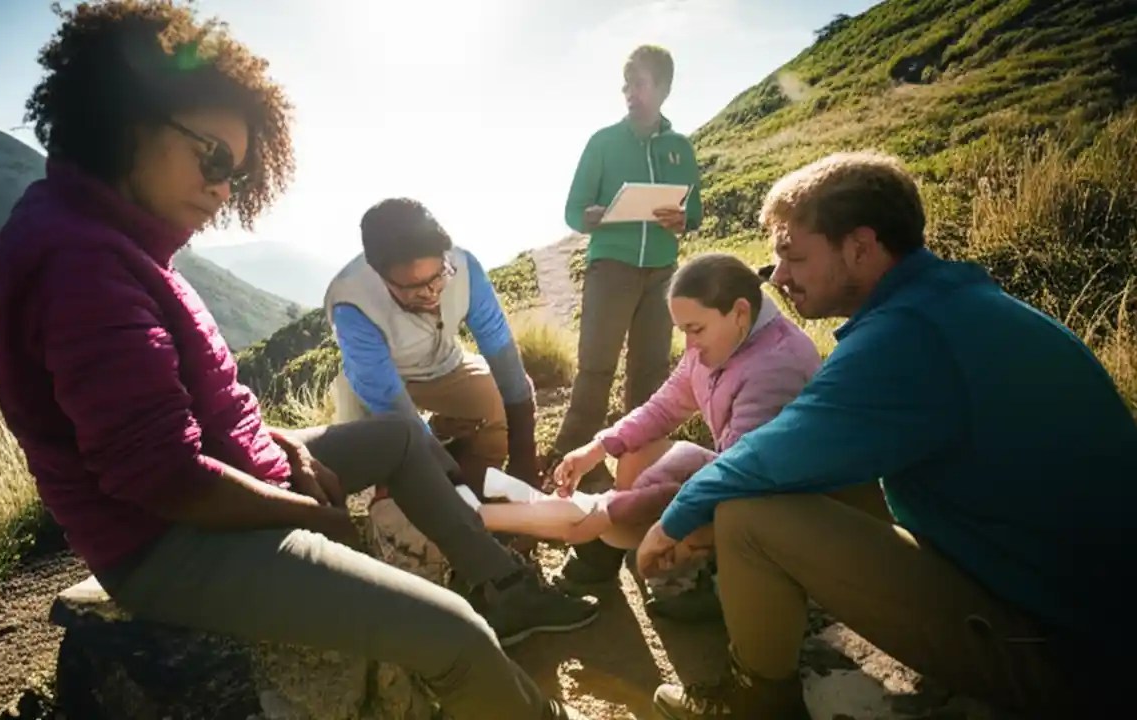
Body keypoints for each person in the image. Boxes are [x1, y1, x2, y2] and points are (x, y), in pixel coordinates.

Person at [0, 4, 595, 719]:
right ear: (129, 119)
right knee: (453, 636)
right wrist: (315, 519)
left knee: (398, 440)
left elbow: (183, 406)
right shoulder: (82, 264)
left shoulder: (114, 235)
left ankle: (504, 585)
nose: (221, 189)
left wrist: (275, 442)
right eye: (213, 159)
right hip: (166, 545)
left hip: (230, 476)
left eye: (234, 175)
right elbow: (163, 478)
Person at [636, 151, 1137, 720]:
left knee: (748, 513)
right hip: (1073, 601)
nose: (778, 276)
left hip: (1067, 655)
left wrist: (674, 521)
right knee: (800, 483)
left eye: (794, 255)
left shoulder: (906, 337)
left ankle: (755, 702)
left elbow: (770, 454)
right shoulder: (952, 304)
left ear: (860, 247)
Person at [461, 254, 822, 621]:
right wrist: (598, 447)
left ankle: (707, 580)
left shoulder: (775, 367)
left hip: (777, 505)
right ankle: (622, 550)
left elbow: (738, 480)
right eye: (682, 330)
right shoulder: (724, 339)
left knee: (608, 511)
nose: (689, 345)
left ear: (740, 312)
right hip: (737, 469)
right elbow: (665, 407)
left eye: (695, 329)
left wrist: (620, 507)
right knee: (635, 455)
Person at [552, 44, 704, 493]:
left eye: (639, 83)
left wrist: (684, 219)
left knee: (650, 370)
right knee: (596, 366)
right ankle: (573, 456)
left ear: (663, 88)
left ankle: (639, 463)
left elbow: (692, 210)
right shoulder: (603, 142)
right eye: (627, 84)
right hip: (611, 266)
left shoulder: (680, 148)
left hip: (662, 272)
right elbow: (573, 211)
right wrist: (591, 216)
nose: (630, 93)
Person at [324, 198, 539, 495]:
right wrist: (450, 485)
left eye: (438, 277)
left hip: (443, 364)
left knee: (497, 417)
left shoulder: (464, 268)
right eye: (413, 287)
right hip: (381, 384)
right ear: (380, 274)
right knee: (395, 466)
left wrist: (524, 457)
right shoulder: (352, 304)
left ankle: (475, 488)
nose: (431, 294)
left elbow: (504, 358)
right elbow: (394, 406)